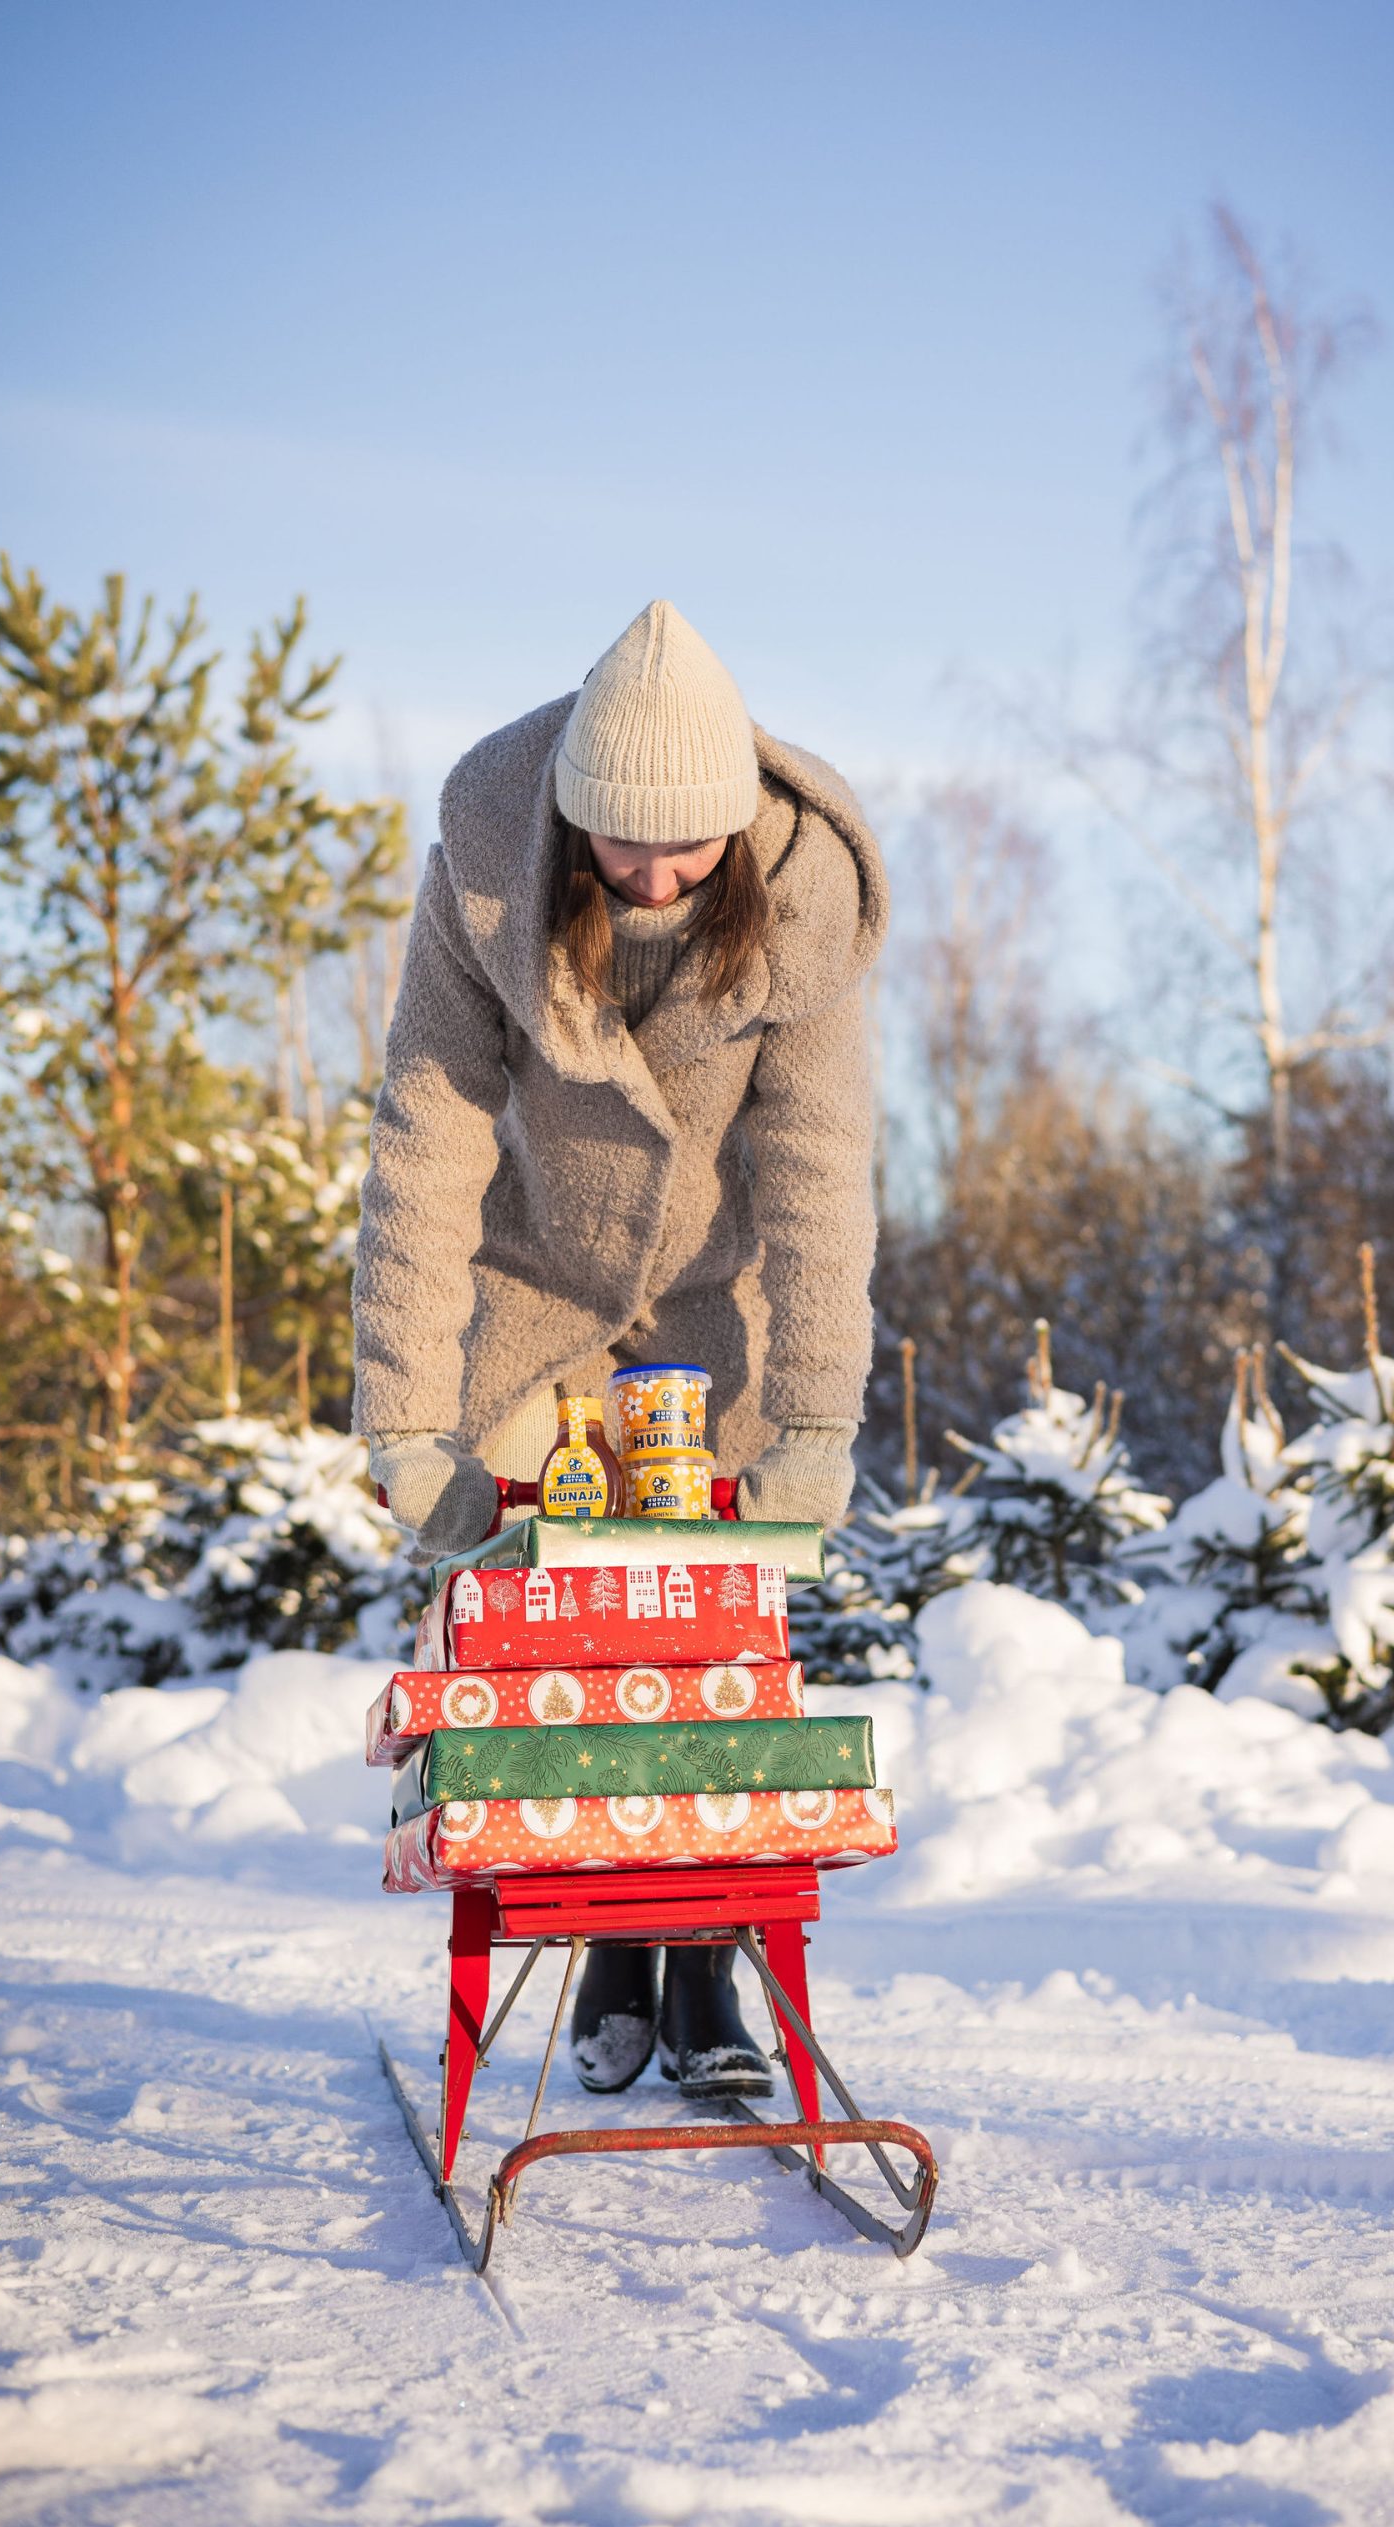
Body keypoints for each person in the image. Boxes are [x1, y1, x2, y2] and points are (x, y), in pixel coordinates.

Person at [353, 600, 887, 2099]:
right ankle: (605, 1946)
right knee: (555, 1674)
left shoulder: (806, 905)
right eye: (620, 845)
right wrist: (405, 1416)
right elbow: (427, 1139)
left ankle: (707, 1970)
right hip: (536, 1315)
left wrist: (816, 1415)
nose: (655, 877)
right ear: (571, 813)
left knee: (714, 1660)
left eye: (689, 848)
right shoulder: (485, 879)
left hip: (713, 1329)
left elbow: (820, 1169)